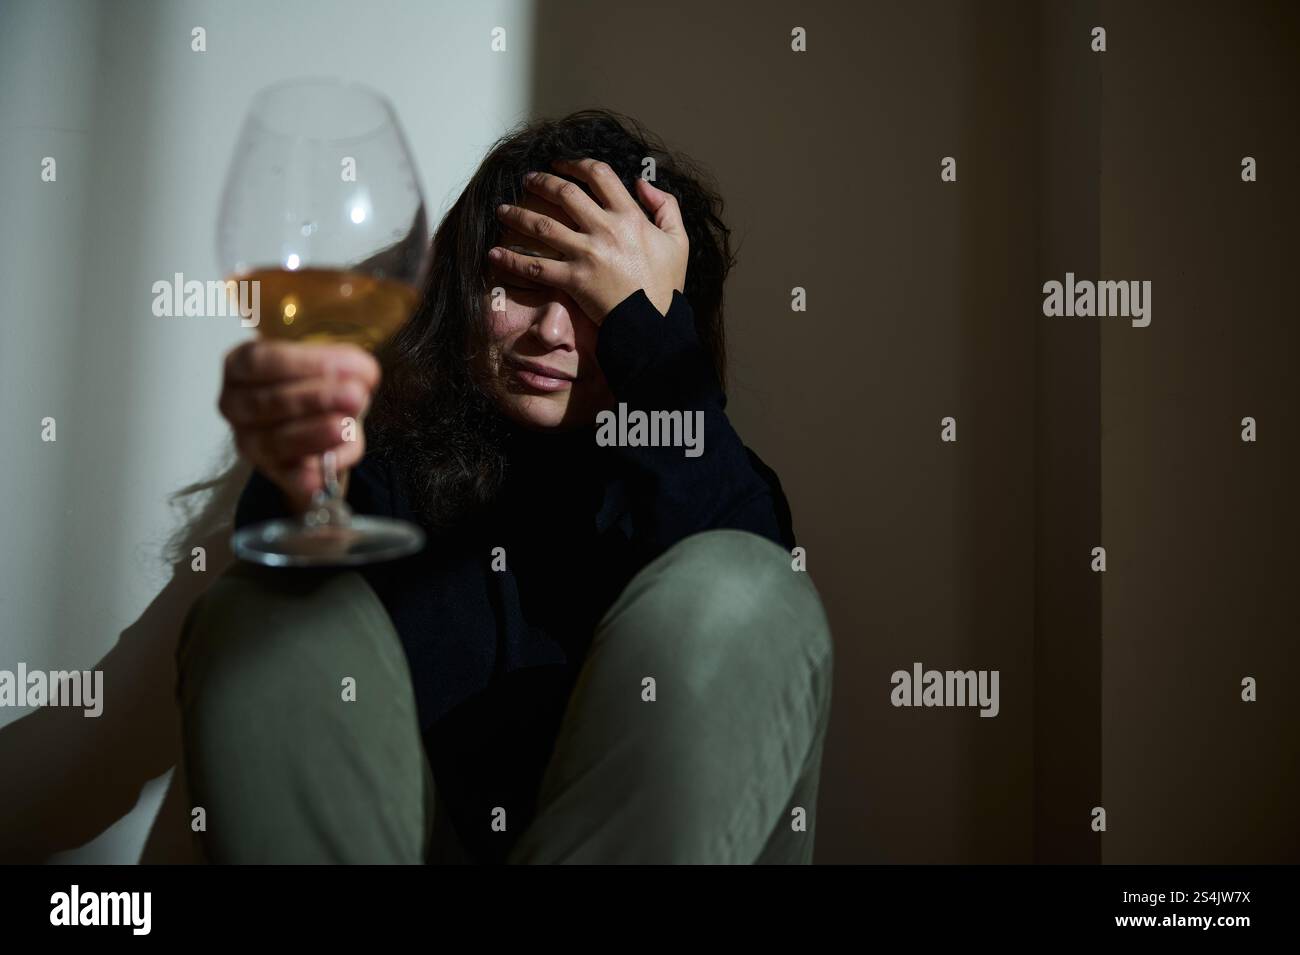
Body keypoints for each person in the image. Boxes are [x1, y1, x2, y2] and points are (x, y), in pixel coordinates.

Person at [176, 108, 833, 864]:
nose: (552, 329)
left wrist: (651, 343)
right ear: (466, 286)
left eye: (598, 299)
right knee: (259, 611)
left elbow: (752, 644)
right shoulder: (386, 466)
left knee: (743, 586)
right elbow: (294, 669)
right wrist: (299, 472)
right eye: (523, 279)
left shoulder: (714, 483)